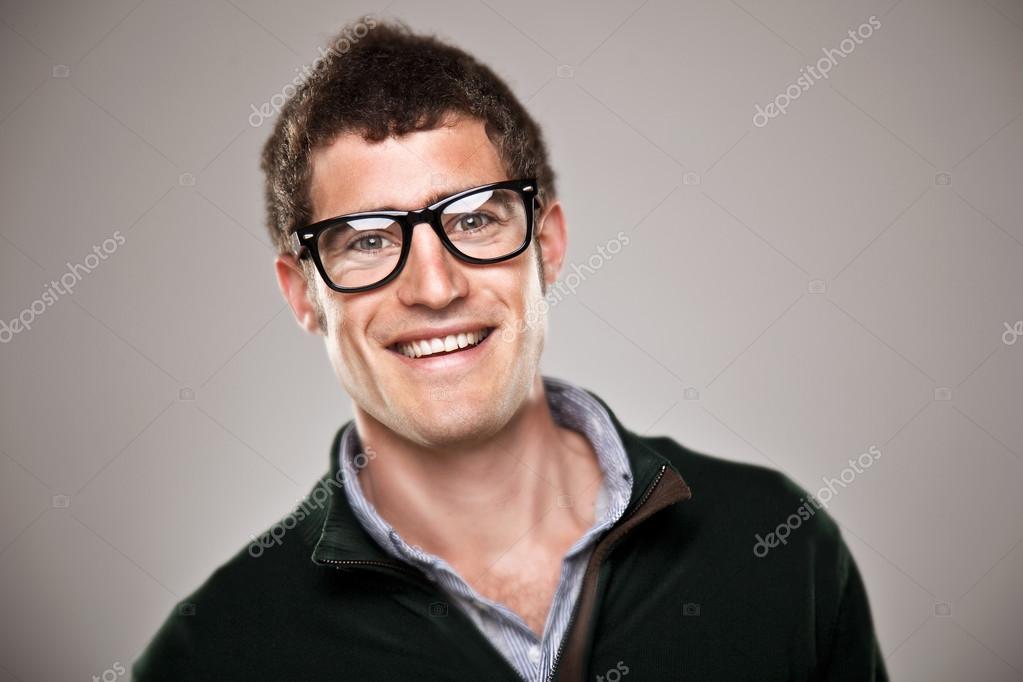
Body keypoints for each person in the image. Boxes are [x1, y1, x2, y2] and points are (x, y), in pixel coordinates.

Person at [133, 17, 888, 681]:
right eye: (365, 240)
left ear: (548, 245)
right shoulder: (215, 656)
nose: (433, 288)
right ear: (303, 295)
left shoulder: (776, 544)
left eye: (474, 222)